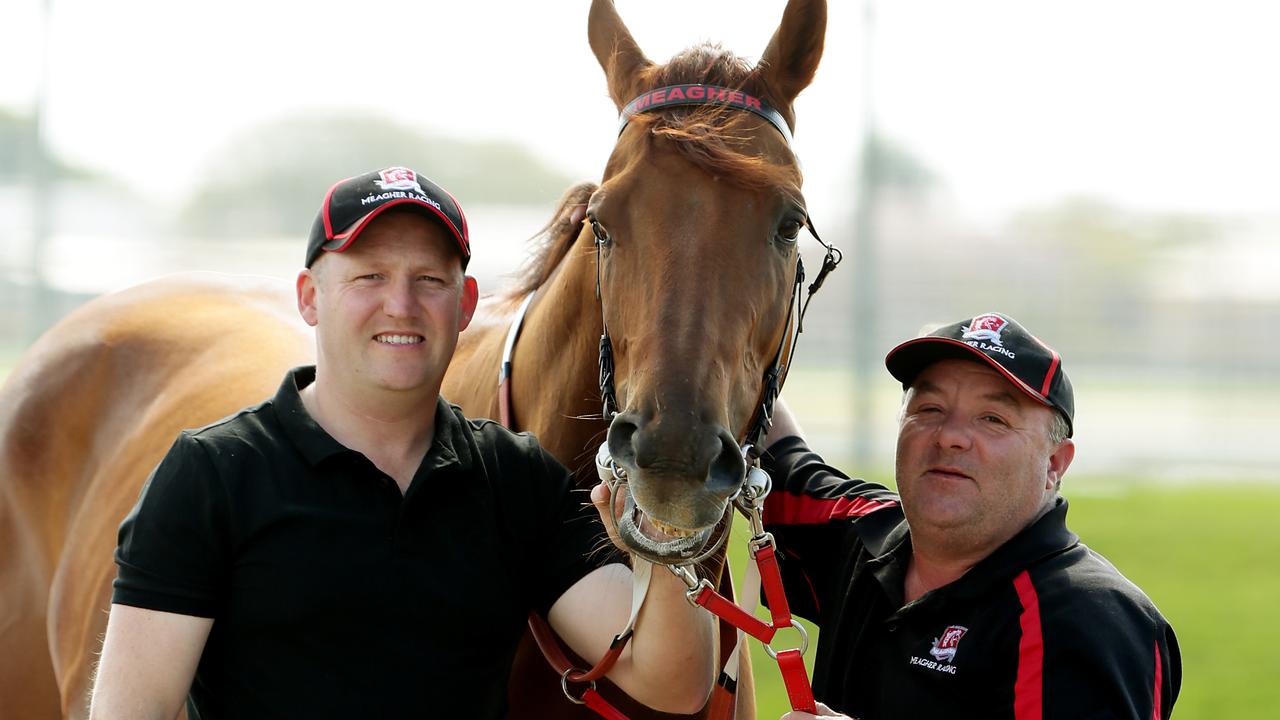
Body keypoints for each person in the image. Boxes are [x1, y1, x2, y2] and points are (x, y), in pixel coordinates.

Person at [89, 166, 714, 719]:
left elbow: (672, 684)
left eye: (428, 281)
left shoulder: (514, 479)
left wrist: (663, 527)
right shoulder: (211, 476)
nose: (401, 305)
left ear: (465, 303)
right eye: (369, 276)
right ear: (310, 297)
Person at [763, 313, 1180, 720]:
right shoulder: (864, 530)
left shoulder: (1088, 621)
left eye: (993, 419)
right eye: (929, 409)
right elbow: (776, 449)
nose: (950, 436)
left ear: (1054, 463)